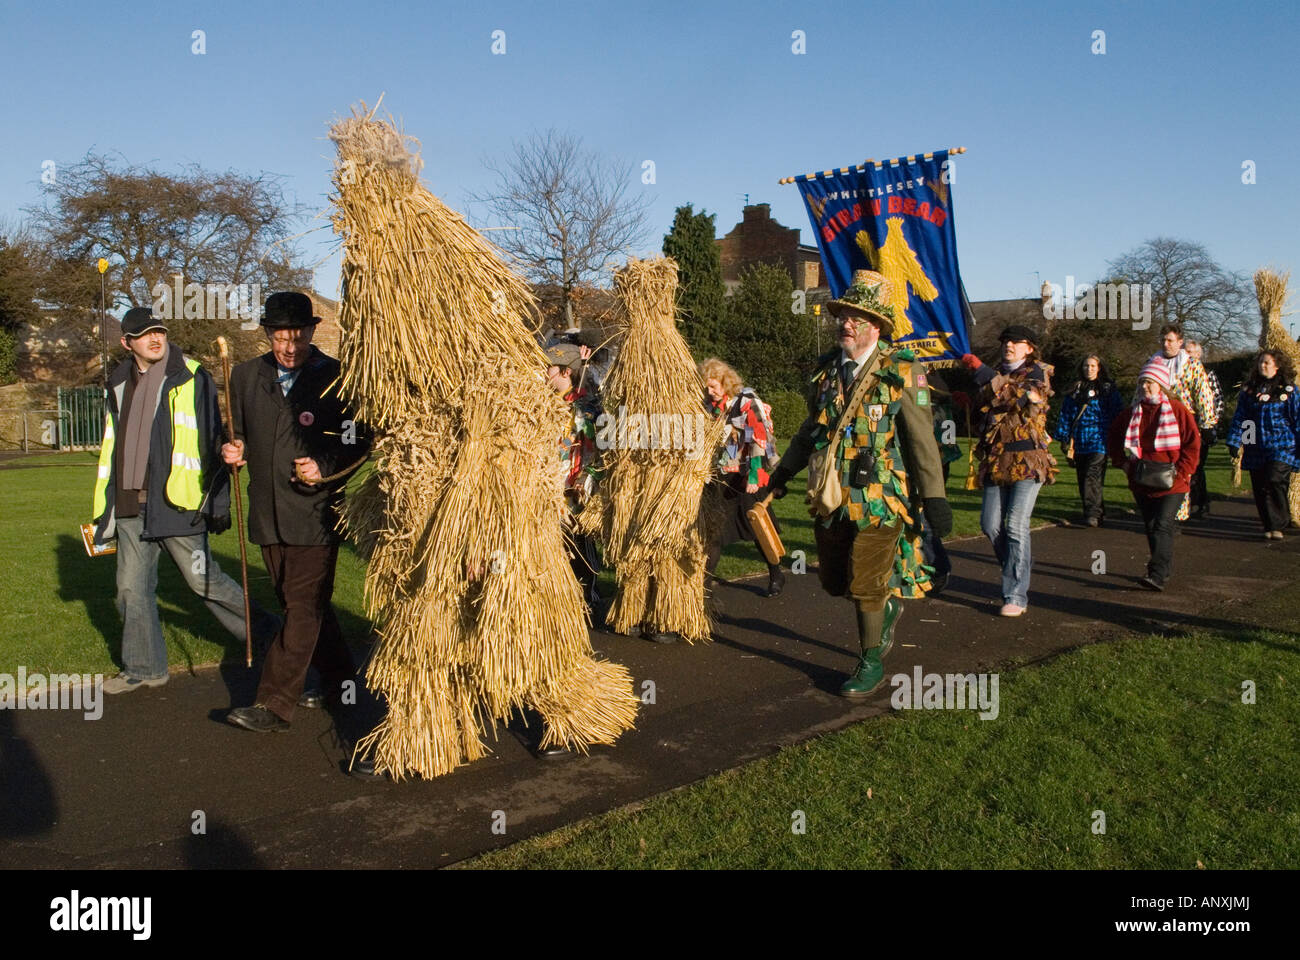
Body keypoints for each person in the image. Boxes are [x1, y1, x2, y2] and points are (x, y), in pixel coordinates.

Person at [764, 270, 950, 697]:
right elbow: (813, 430)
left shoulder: (906, 372)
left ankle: (870, 661)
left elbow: (922, 440)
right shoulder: (828, 371)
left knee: (866, 580)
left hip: (882, 497)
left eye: (856, 317)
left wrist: (935, 497)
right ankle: (884, 609)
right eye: (843, 316)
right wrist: (781, 474)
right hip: (833, 495)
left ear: (878, 326)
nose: (845, 324)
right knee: (834, 581)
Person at [91, 307, 277, 694]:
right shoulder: (116, 382)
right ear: (127, 343)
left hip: (178, 503)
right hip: (129, 503)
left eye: (159, 331)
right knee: (130, 589)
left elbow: (214, 434)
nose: (155, 339)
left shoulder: (192, 375)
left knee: (204, 581)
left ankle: (276, 643)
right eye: (144, 335)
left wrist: (222, 477)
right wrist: (106, 506)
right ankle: (144, 668)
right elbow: (112, 444)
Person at [222, 292, 371, 733]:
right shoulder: (246, 376)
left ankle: (273, 703)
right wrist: (231, 449)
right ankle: (342, 681)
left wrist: (322, 466)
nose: (290, 346)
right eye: (281, 337)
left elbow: (357, 440)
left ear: (311, 331)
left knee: (303, 606)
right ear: (268, 333)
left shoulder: (336, 378)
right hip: (268, 514)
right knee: (302, 605)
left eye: (299, 336)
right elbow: (234, 431)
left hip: (316, 512)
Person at [960, 326, 1058, 616]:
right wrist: (969, 400)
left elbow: (1015, 397)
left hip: (1028, 460)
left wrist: (981, 371)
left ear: (1030, 348)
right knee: (990, 525)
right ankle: (1020, 565)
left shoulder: (1038, 373)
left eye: (1017, 342)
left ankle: (1015, 594)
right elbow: (986, 408)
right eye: (1005, 341)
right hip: (995, 461)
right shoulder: (992, 377)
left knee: (1015, 524)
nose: (1009, 346)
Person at [1107, 359, 1200, 590]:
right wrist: (1123, 463)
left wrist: (1184, 471)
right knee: (1150, 526)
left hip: (1173, 480)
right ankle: (1163, 568)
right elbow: (1113, 436)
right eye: (1142, 383)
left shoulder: (1177, 410)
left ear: (1161, 384)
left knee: (1162, 524)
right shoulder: (1133, 412)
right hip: (1142, 478)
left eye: (1150, 382)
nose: (1145, 387)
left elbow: (1192, 442)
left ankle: (1156, 574)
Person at [701, 357, 785, 598]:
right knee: (713, 532)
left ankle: (775, 573)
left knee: (759, 527)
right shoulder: (709, 407)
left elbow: (761, 438)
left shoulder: (745, 401)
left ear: (726, 383)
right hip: (721, 477)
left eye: (714, 387)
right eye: (707, 387)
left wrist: (756, 475)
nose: (710, 392)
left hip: (747, 475)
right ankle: (705, 587)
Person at [546, 342, 604, 609]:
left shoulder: (584, 406)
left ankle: (588, 600)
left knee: (579, 544)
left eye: (550, 368)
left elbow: (593, 449)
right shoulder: (543, 403)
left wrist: (584, 479)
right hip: (549, 486)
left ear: (566, 373)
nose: (544, 373)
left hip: (574, 487)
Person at [1226, 350, 1300, 539]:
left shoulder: (1289, 391)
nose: (1263, 366)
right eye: (1260, 363)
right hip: (1255, 444)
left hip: (1282, 444)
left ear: (1277, 366)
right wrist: (1235, 441)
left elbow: (1297, 418)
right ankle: (1270, 526)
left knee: (1274, 479)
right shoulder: (1249, 391)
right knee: (1260, 485)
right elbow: (1241, 416)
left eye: (1267, 363)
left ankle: (1281, 520)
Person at [1152, 324, 1217, 521]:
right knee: (1158, 468)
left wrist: (1207, 424)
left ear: (1180, 342)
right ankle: (1160, 510)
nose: (1166, 344)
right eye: (1163, 340)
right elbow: (1141, 393)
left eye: (1170, 340)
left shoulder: (1192, 365)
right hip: (1156, 424)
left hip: (1183, 425)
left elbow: (1204, 395)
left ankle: (1176, 514)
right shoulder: (1153, 363)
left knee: (1181, 470)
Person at [1053, 355, 1124, 526]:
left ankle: (1092, 513)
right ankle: (1097, 510)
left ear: (1099, 368)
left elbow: (1117, 413)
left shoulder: (1108, 389)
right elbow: (1066, 413)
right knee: (1083, 475)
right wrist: (1064, 437)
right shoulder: (1076, 389)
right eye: (1086, 366)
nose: (1089, 369)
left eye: (1093, 366)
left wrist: (1116, 436)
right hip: (1080, 439)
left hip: (1100, 437)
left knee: (1092, 473)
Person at [1183, 339, 1223, 519]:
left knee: (1196, 467)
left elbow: (1218, 402)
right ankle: (1186, 503)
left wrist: (1209, 423)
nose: (1188, 355)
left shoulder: (1207, 375)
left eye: (1191, 352)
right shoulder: (1178, 374)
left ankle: (1201, 502)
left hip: (1200, 429)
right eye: (1186, 351)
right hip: (1183, 428)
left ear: (1199, 355)